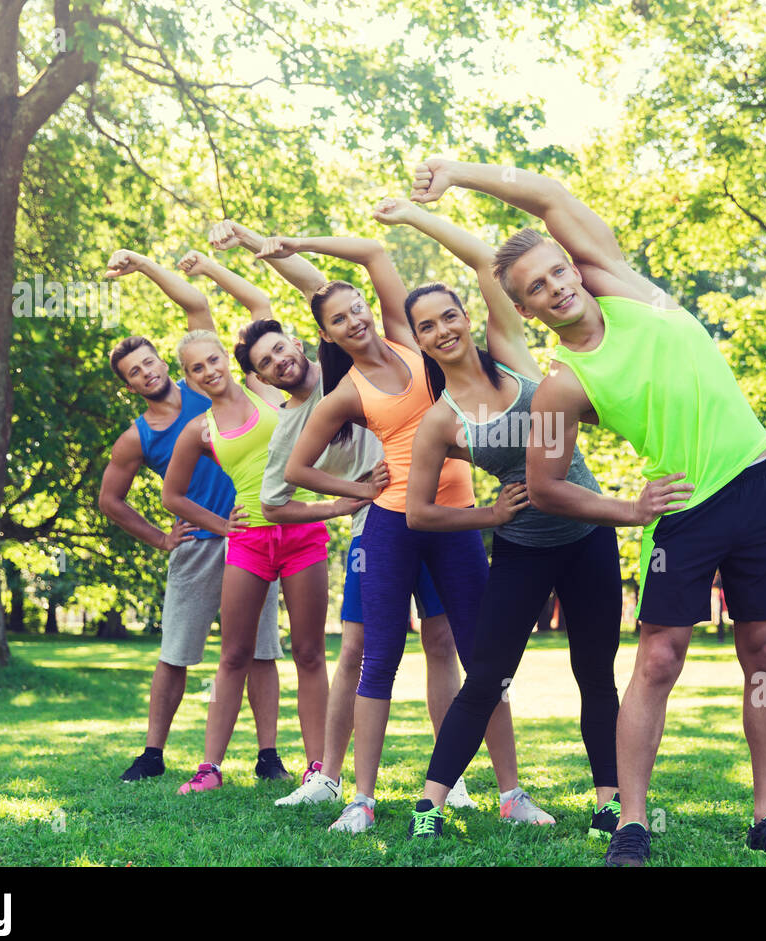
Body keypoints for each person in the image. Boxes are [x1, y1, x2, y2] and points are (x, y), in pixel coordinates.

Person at [411, 158, 766, 866]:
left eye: (556, 272)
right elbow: (546, 485)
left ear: (572, 265)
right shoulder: (564, 387)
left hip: (756, 483)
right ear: (527, 311)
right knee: (658, 657)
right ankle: (630, 822)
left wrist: (457, 175)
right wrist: (628, 508)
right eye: (536, 289)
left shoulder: (626, 285)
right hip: (684, 510)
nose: (555, 287)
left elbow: (548, 195)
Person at [371, 197, 627, 842]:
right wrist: (486, 513)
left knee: (595, 672)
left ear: (465, 316)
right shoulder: (439, 420)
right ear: (420, 341)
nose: (443, 330)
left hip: (589, 532)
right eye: (426, 326)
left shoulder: (511, 350)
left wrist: (412, 218)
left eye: (449, 315)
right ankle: (428, 803)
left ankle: (610, 800)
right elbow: (420, 512)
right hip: (521, 549)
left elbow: (490, 261)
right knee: (486, 675)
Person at [207, 219, 482, 811]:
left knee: (441, 640)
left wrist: (264, 242)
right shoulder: (300, 417)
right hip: (378, 528)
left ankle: (450, 775)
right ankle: (329, 776)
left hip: (437, 511)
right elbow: (277, 498)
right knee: (358, 649)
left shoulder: (358, 355)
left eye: (282, 347)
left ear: (302, 343)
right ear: (260, 378)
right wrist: (346, 499)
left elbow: (323, 288)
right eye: (268, 362)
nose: (280, 361)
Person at [270, 229, 539, 833]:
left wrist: (287, 242)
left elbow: (372, 252)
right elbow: (295, 470)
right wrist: (362, 489)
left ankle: (512, 793)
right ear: (328, 335)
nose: (354, 322)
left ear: (370, 310)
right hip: (393, 525)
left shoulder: (416, 347)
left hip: (458, 523)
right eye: (339, 321)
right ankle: (360, 801)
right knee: (379, 659)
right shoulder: (344, 393)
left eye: (357, 310)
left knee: (484, 657)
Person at [97, 249, 283, 784]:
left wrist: (144, 266)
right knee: (176, 652)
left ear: (164, 364)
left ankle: (267, 755)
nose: (145, 373)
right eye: (134, 373)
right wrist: (160, 539)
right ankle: (153, 753)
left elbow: (197, 303)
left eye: (149, 362)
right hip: (199, 545)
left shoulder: (205, 386)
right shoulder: (138, 436)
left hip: (252, 532)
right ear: (129, 385)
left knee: (258, 651)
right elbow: (111, 501)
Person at [160, 250, 327, 794]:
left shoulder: (266, 388)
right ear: (186, 378)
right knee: (233, 653)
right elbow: (172, 496)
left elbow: (259, 303)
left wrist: (208, 267)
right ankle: (209, 768)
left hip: (302, 531)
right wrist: (221, 524)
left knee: (307, 652)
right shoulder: (200, 429)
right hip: (249, 540)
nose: (208, 371)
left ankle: (319, 767)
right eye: (195, 368)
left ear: (228, 362)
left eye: (213, 360)